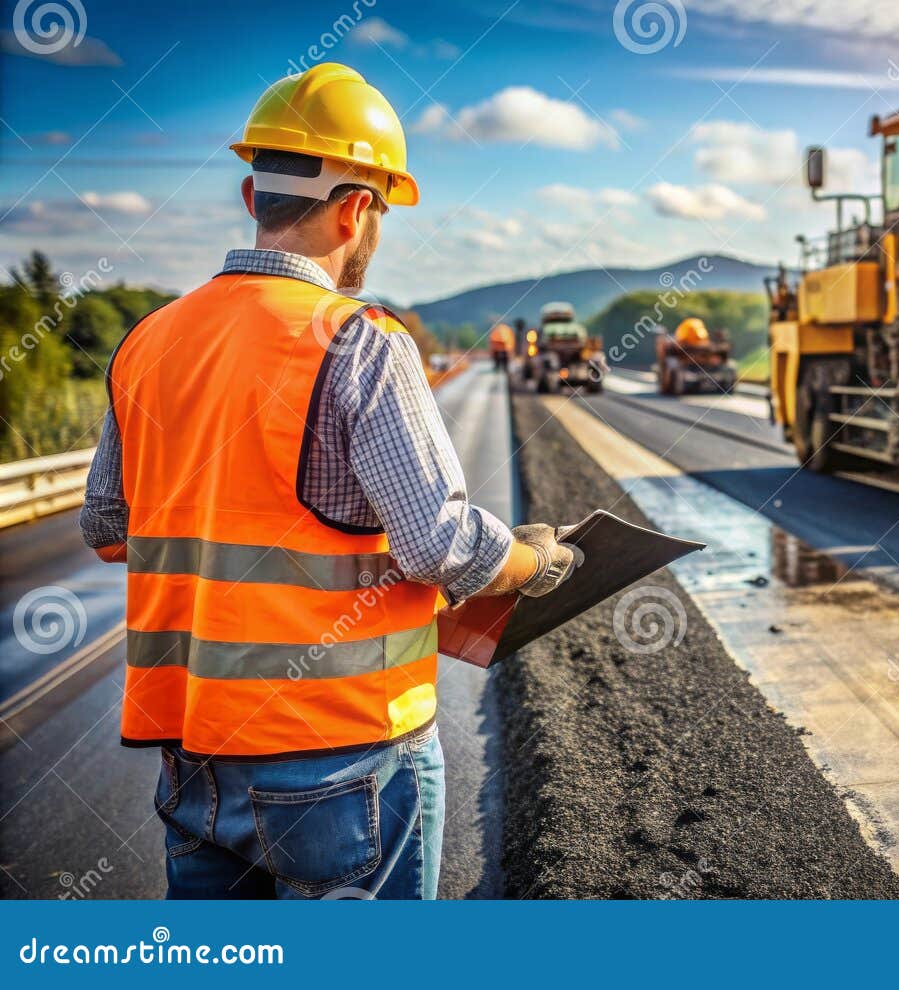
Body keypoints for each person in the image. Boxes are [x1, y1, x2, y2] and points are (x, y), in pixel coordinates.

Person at [78, 64, 572, 900]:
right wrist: (532, 563)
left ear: (252, 195)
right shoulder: (360, 343)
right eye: (378, 210)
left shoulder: (150, 339)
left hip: (194, 756)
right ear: (354, 208)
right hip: (346, 755)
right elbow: (439, 545)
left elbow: (106, 527)